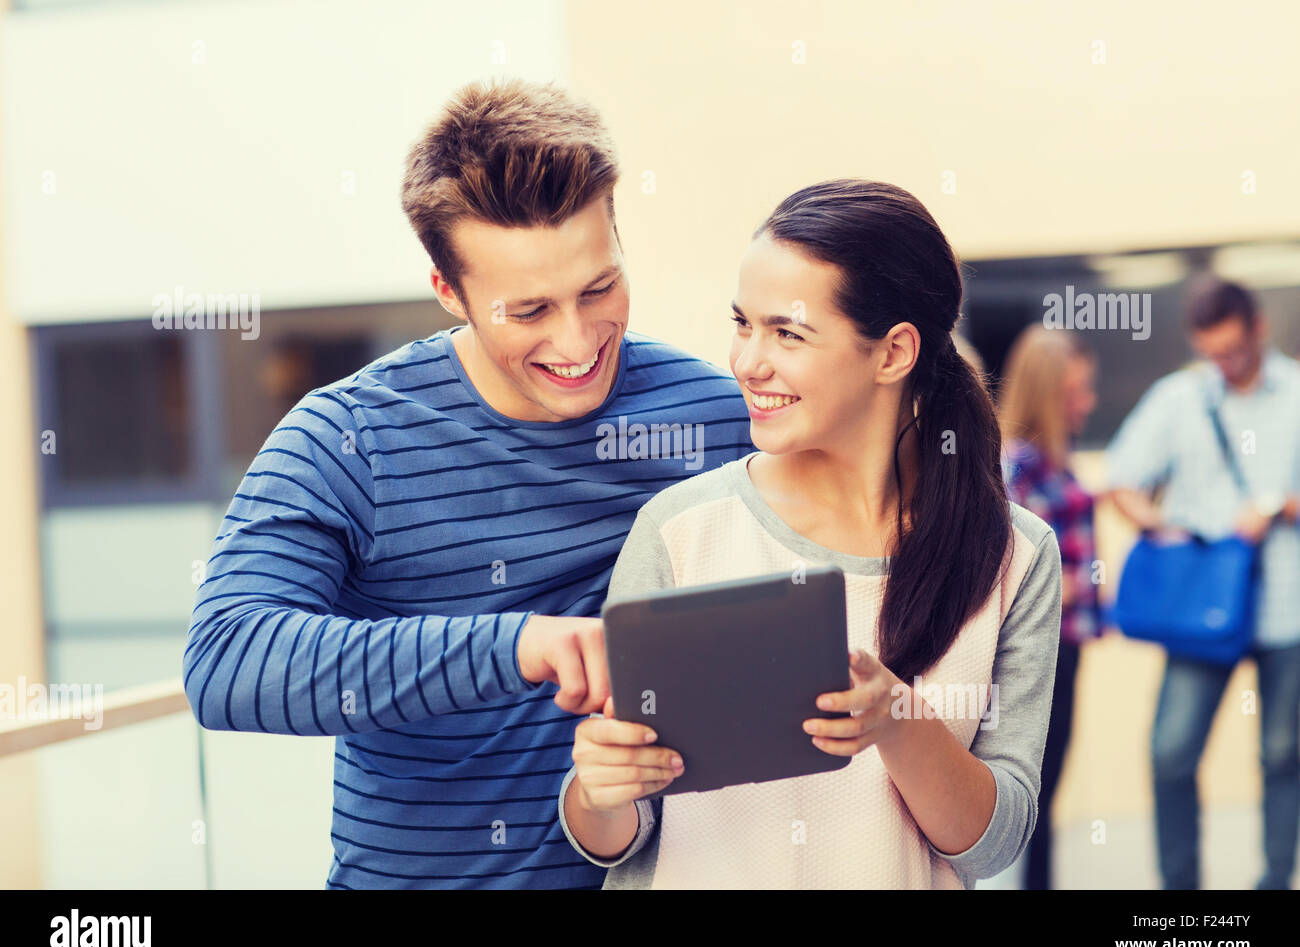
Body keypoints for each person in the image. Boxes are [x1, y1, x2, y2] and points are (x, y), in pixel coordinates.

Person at [182, 78, 756, 889]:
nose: (578, 341)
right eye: (530, 311)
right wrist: (516, 645)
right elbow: (227, 662)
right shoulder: (349, 438)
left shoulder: (716, 417)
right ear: (449, 293)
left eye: (599, 288)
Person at [558, 178, 1062, 888]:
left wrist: (896, 719)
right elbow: (620, 832)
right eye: (743, 324)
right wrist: (598, 792)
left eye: (787, 333)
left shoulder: (1016, 557)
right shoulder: (680, 530)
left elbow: (992, 844)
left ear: (893, 353)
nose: (747, 362)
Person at [1106, 275, 1300, 890]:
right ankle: (1183, 899)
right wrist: (1162, 526)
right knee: (1171, 752)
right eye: (1212, 353)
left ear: (1259, 329)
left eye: (1235, 351)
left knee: (1283, 756)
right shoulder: (1178, 398)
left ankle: (1273, 882)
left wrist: (1280, 507)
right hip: (1201, 611)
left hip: (1288, 610)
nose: (1225, 364)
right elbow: (1122, 480)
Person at [998, 324, 1102, 889]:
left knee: (1046, 797)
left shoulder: (1058, 462)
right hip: (1040, 654)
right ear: (1047, 393)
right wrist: (1070, 584)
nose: (1087, 403)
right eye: (1075, 392)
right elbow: (1001, 568)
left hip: (1068, 646)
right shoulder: (1015, 468)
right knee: (1031, 795)